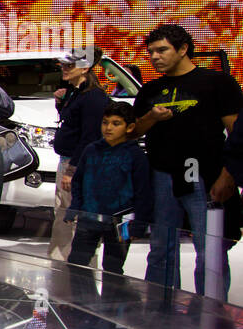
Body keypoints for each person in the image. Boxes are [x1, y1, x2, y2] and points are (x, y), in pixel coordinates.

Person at [131, 23, 241, 294]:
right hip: (162, 173)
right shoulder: (149, 89)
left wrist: (229, 175)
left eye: (162, 50)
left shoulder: (218, 83)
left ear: (182, 49)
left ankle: (211, 313)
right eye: (151, 52)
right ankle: (159, 309)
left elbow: (237, 133)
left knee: (210, 248)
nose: (155, 57)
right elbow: (134, 131)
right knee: (160, 247)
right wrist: (151, 117)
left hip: (205, 175)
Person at [64, 102, 153, 274]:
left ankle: (111, 301)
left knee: (113, 267)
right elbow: (78, 182)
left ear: (130, 127)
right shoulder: (91, 150)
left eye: (116, 123)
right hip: (89, 218)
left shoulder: (135, 155)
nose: (108, 128)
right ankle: (80, 300)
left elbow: (144, 193)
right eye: (105, 122)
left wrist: (139, 224)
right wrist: (75, 208)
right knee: (76, 263)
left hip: (120, 222)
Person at [49, 48, 111, 261]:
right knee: (64, 214)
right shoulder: (76, 93)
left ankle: (77, 267)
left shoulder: (93, 97)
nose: (65, 69)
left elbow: (90, 138)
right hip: (67, 162)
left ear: (85, 68)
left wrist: (73, 170)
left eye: (70, 65)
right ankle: (64, 265)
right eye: (64, 65)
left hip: (77, 166)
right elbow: (73, 126)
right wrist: (61, 104)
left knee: (74, 217)